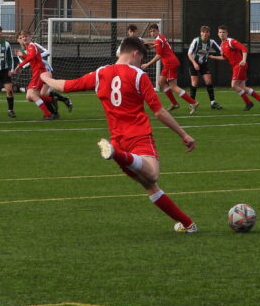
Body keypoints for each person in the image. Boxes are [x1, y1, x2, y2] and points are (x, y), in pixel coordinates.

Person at [40, 36, 199, 233]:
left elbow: (67, 86)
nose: (141, 63)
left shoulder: (100, 73)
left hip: (117, 138)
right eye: (141, 59)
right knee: (153, 174)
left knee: (150, 186)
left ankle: (188, 224)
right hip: (138, 136)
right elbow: (158, 111)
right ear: (135, 54)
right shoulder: (138, 75)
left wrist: (46, 79)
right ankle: (116, 153)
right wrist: (183, 134)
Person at [141, 23, 198, 114]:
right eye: (151, 31)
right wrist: (151, 45)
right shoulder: (160, 38)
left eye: (154, 31)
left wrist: (147, 64)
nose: (152, 33)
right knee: (161, 82)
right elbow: (160, 45)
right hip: (170, 63)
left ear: (157, 30)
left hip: (170, 64)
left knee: (173, 86)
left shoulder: (158, 40)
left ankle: (193, 102)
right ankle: (174, 103)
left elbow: (158, 55)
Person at [11, 30, 66, 120]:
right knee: (29, 97)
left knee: (32, 95)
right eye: (22, 37)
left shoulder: (32, 46)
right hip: (37, 72)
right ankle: (52, 100)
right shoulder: (28, 47)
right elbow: (32, 58)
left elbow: (31, 57)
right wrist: (22, 56)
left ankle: (48, 114)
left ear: (30, 37)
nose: (24, 38)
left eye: (26, 36)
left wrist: (19, 66)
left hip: (39, 72)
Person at [216, 25, 260, 111]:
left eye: (223, 32)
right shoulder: (221, 45)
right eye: (220, 32)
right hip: (237, 66)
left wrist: (243, 60)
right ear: (218, 34)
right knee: (242, 87)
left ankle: (248, 103)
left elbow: (243, 48)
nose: (222, 34)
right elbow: (225, 58)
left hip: (239, 65)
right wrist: (212, 57)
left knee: (234, 85)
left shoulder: (230, 41)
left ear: (227, 33)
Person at [187, 25, 223, 109]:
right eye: (203, 32)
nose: (205, 34)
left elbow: (221, 50)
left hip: (203, 63)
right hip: (193, 62)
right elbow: (189, 54)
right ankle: (192, 103)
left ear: (209, 33)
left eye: (207, 32)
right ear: (200, 33)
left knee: (208, 81)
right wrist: (195, 64)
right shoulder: (196, 41)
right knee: (195, 83)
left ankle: (213, 103)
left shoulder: (211, 42)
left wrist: (225, 54)